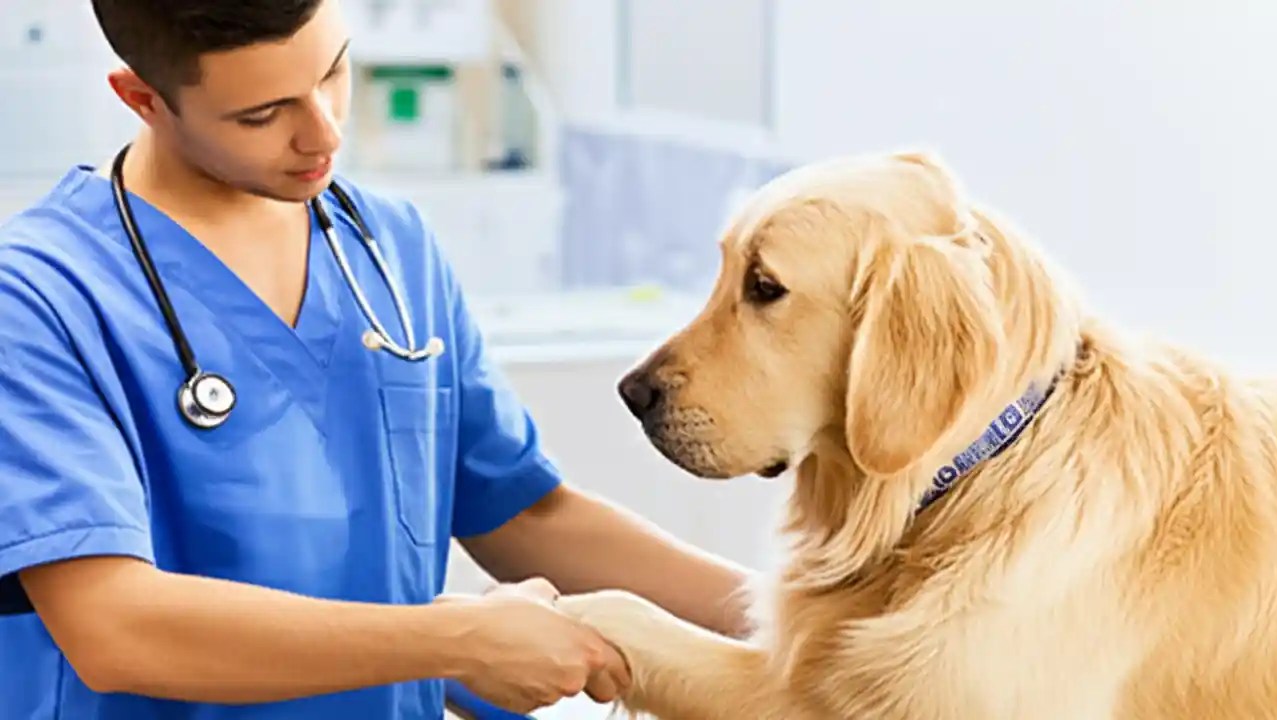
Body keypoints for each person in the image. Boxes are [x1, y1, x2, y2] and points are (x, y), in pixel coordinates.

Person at [0, 1, 752, 718]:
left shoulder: (388, 248)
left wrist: (790, 617)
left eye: (332, 72)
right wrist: (456, 644)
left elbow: (521, 512)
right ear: (143, 98)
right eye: (262, 114)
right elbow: (114, 627)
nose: (322, 134)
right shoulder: (41, 295)